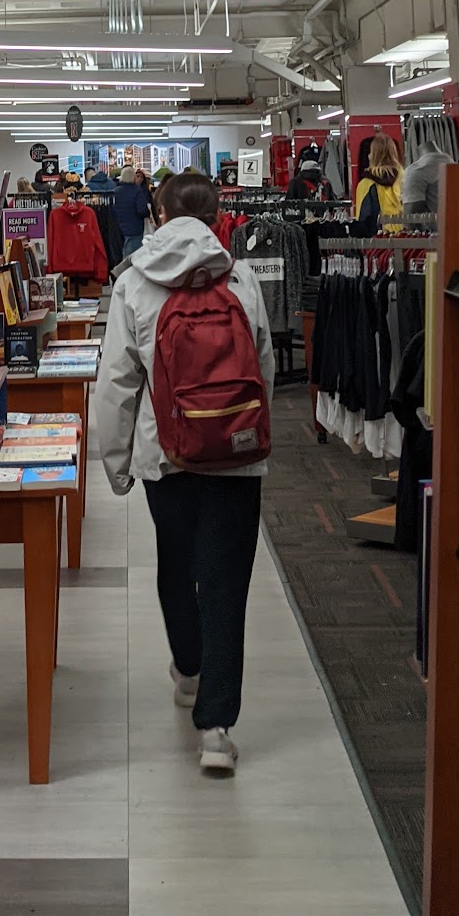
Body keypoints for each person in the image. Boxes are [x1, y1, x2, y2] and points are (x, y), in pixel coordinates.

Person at [93, 169, 275, 776]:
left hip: (163, 456)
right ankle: (216, 730)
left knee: (176, 562)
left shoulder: (134, 282)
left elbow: (117, 382)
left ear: (159, 214)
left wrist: (115, 463)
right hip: (236, 455)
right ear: (219, 217)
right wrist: (251, 439)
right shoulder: (241, 278)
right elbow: (263, 369)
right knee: (226, 580)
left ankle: (189, 670)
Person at [354, 133, 404, 232]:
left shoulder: (366, 184)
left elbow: (363, 220)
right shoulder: (405, 178)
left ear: (373, 155)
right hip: (406, 234)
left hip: (380, 237)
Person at [111, 163, 152, 256]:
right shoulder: (137, 191)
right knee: (134, 256)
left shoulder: (116, 192)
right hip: (135, 228)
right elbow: (142, 210)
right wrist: (147, 213)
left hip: (119, 228)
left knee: (123, 254)